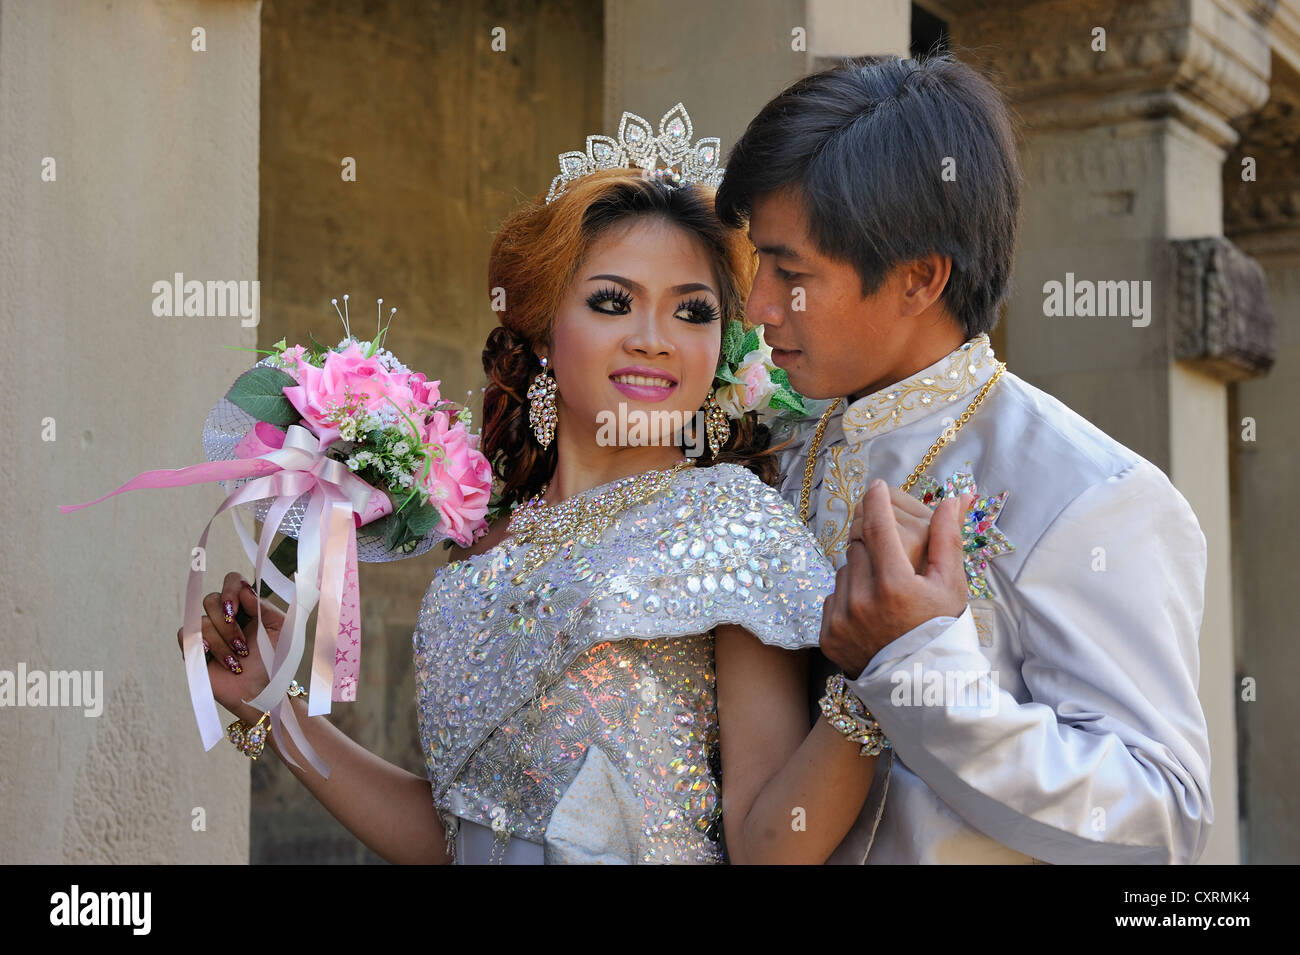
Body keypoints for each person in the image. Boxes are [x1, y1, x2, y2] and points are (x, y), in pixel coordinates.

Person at [179, 107, 953, 864]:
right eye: (613, 301)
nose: (653, 336)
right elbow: (452, 834)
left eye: (692, 310)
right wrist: (275, 705)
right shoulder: (479, 550)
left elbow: (768, 846)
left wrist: (877, 683)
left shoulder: (733, 522)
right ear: (546, 329)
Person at [714, 53, 1214, 864]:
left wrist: (917, 662)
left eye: (793, 273)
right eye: (759, 263)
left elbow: (1159, 820)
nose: (762, 304)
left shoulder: (1092, 492)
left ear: (918, 279)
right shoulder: (778, 447)